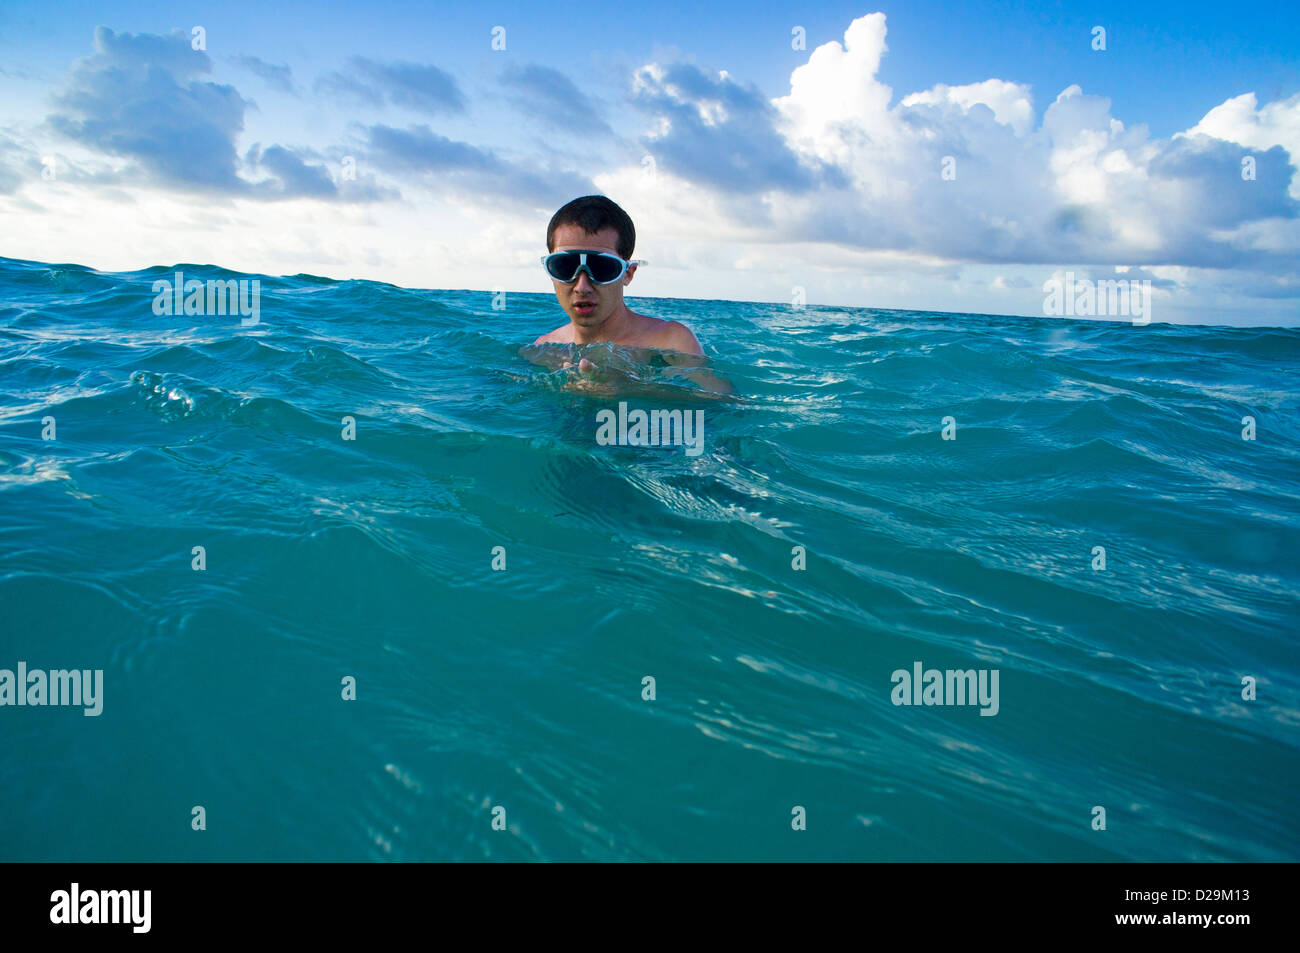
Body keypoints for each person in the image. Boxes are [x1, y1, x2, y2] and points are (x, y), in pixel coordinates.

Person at [535, 195, 704, 368]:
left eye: (602, 268)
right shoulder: (543, 348)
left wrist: (624, 387)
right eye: (565, 266)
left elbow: (718, 395)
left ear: (628, 274)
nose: (582, 287)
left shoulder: (671, 342)